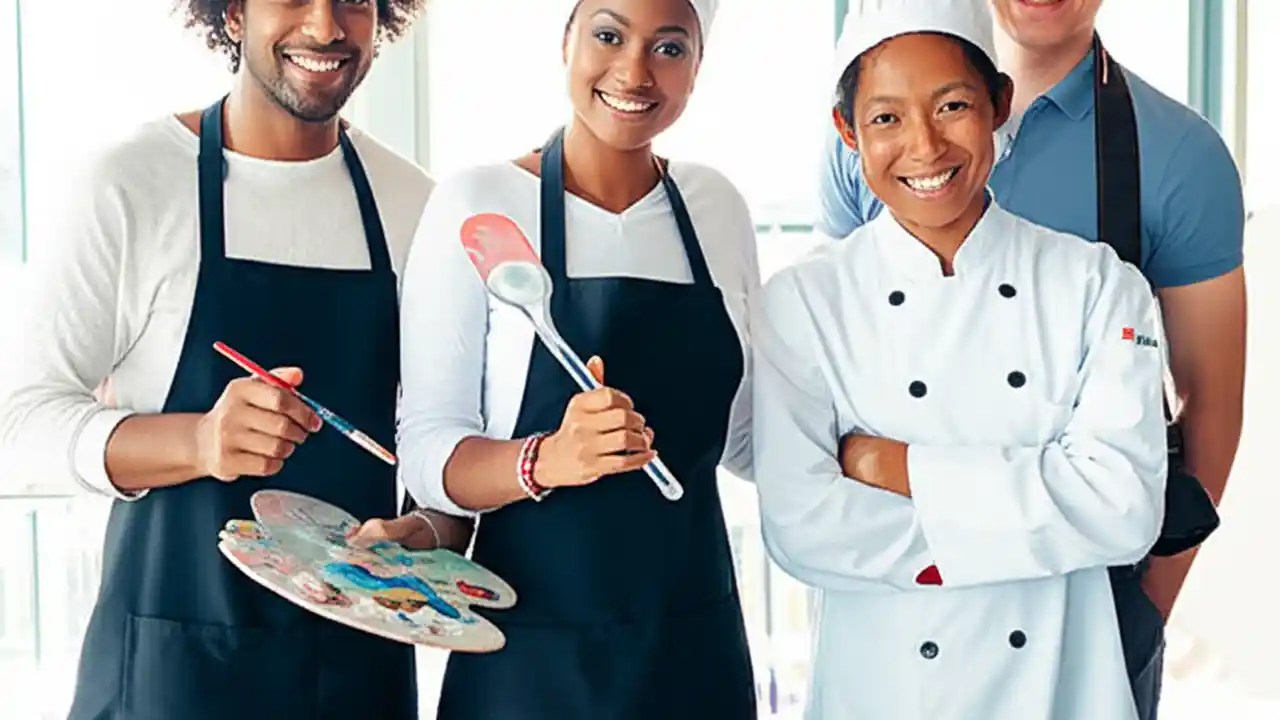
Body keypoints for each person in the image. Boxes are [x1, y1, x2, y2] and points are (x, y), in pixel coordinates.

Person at [0, 1, 472, 718]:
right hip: (171, 673)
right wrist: (199, 441)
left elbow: (446, 438)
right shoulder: (133, 184)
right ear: (231, 14)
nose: (325, 27)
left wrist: (432, 527)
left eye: (353, 0)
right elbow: (18, 427)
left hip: (355, 676)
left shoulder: (417, 207)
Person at [816, 1, 1246, 714]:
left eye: (954, 107)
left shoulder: (1178, 154)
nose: (925, 143)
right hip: (905, 612)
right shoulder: (867, 148)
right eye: (889, 118)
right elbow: (843, 350)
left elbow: (1210, 400)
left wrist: (1143, 611)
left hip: (1091, 604)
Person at [387, 0, 759, 716]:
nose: (634, 71)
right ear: (567, 41)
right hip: (530, 662)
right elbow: (428, 451)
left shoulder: (715, 207)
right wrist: (547, 459)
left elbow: (745, 440)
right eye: (609, 35)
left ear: (698, 65)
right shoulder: (481, 203)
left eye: (670, 48)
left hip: (693, 648)